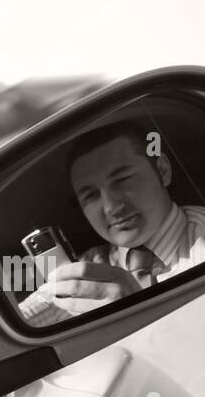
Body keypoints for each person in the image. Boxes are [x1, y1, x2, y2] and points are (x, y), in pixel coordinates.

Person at [19, 119, 205, 325]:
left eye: (122, 179)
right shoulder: (89, 266)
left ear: (162, 170)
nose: (111, 208)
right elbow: (22, 321)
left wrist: (142, 315)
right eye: (90, 196)